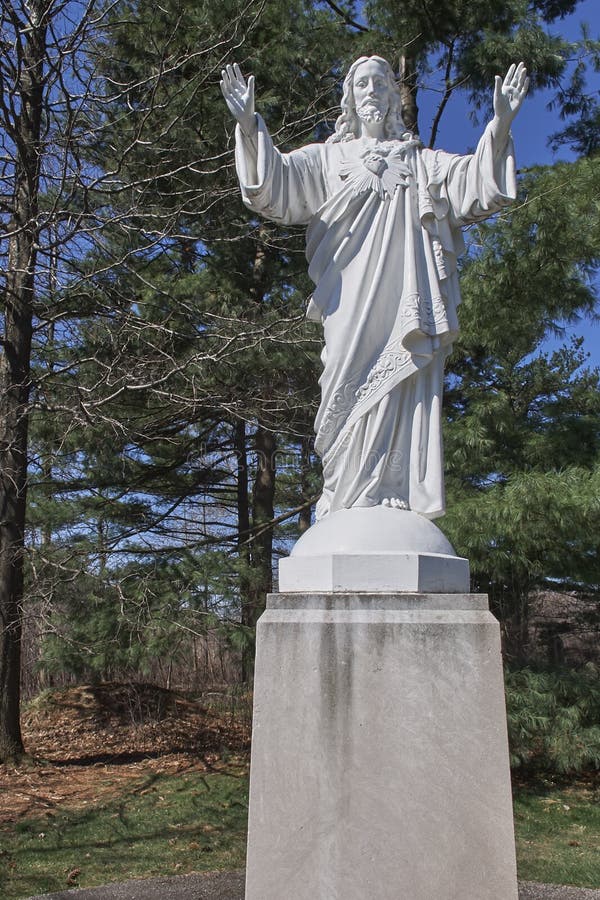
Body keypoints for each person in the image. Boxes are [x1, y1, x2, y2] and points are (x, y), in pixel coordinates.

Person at [221, 56, 529, 521]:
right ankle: (344, 494)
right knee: (343, 382)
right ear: (349, 97)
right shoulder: (326, 158)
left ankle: (391, 488)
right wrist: (249, 125)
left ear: (391, 98)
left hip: (404, 295)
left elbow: (472, 185)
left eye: (380, 84)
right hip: (347, 298)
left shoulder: (419, 162)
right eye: (360, 83)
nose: (370, 91)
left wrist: (500, 126)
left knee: (401, 376)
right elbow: (276, 188)